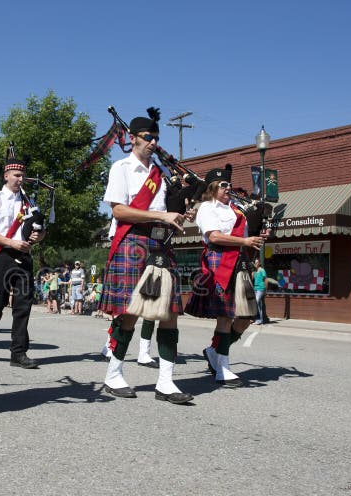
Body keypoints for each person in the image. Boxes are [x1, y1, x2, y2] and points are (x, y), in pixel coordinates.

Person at [98, 110, 194, 404]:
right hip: (131, 241)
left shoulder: (162, 175)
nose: (153, 142)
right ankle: (114, 374)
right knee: (128, 314)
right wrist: (158, 214)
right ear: (133, 139)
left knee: (168, 312)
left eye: (156, 138)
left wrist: (180, 213)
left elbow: (166, 212)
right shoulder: (121, 168)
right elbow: (119, 211)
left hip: (159, 243)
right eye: (147, 137)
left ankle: (166, 382)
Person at [185, 167, 265, 385]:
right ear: (212, 188)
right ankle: (223, 368)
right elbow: (215, 236)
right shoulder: (207, 209)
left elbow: (245, 236)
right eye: (223, 185)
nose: (227, 188)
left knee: (247, 317)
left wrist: (255, 239)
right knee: (226, 316)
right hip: (220, 262)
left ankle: (214, 351)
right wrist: (244, 242)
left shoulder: (236, 210)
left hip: (239, 262)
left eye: (228, 185)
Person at [0, 155, 46, 369]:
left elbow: (41, 231)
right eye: (16, 175)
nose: (20, 179)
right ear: (6, 176)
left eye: (23, 175)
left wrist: (38, 236)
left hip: (24, 256)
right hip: (1, 256)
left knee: (23, 306)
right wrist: (10, 243)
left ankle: (18, 353)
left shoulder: (30, 203)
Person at [253, 257, 268, 325]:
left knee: (256, 302)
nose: (255, 264)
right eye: (255, 263)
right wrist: (253, 271)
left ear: (259, 263)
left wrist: (265, 290)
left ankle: (259, 319)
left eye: (257, 262)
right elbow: (252, 278)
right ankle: (260, 319)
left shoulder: (262, 270)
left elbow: (266, 280)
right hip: (255, 288)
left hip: (261, 289)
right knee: (258, 304)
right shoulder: (255, 271)